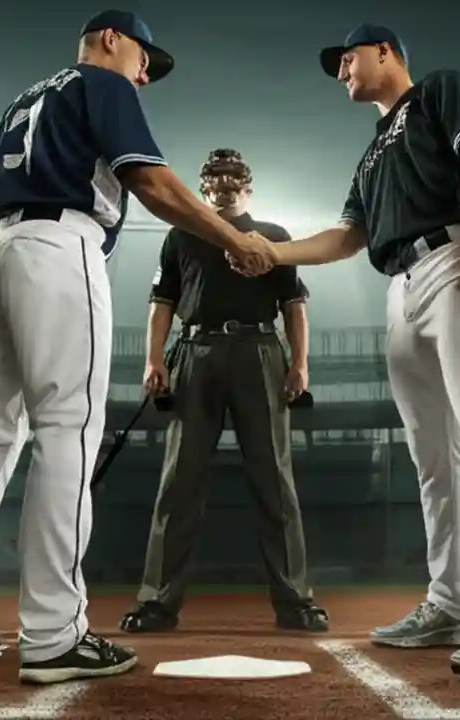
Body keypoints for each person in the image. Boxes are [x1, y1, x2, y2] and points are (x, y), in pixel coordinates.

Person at [0, 9, 275, 685]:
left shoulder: (23, 100)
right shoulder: (102, 84)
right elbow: (151, 181)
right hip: (60, 247)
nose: (146, 74)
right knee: (67, 433)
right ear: (110, 40)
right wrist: (233, 238)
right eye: (144, 57)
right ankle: (55, 633)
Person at [231, 23, 460, 680]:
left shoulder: (440, 89)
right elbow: (347, 237)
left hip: (457, 257)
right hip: (401, 288)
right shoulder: (370, 155)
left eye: (346, 58)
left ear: (385, 52)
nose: (340, 71)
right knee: (432, 460)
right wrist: (276, 253)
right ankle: (449, 604)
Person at [118, 149, 330, 635]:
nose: (226, 183)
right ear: (204, 185)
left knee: (274, 479)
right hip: (196, 350)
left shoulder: (273, 236)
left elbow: (294, 305)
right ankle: (156, 604)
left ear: (248, 186)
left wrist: (300, 363)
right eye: (216, 176)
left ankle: (296, 602)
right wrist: (153, 360)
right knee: (179, 482)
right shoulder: (181, 234)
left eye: (235, 176)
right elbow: (162, 302)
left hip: (259, 348)